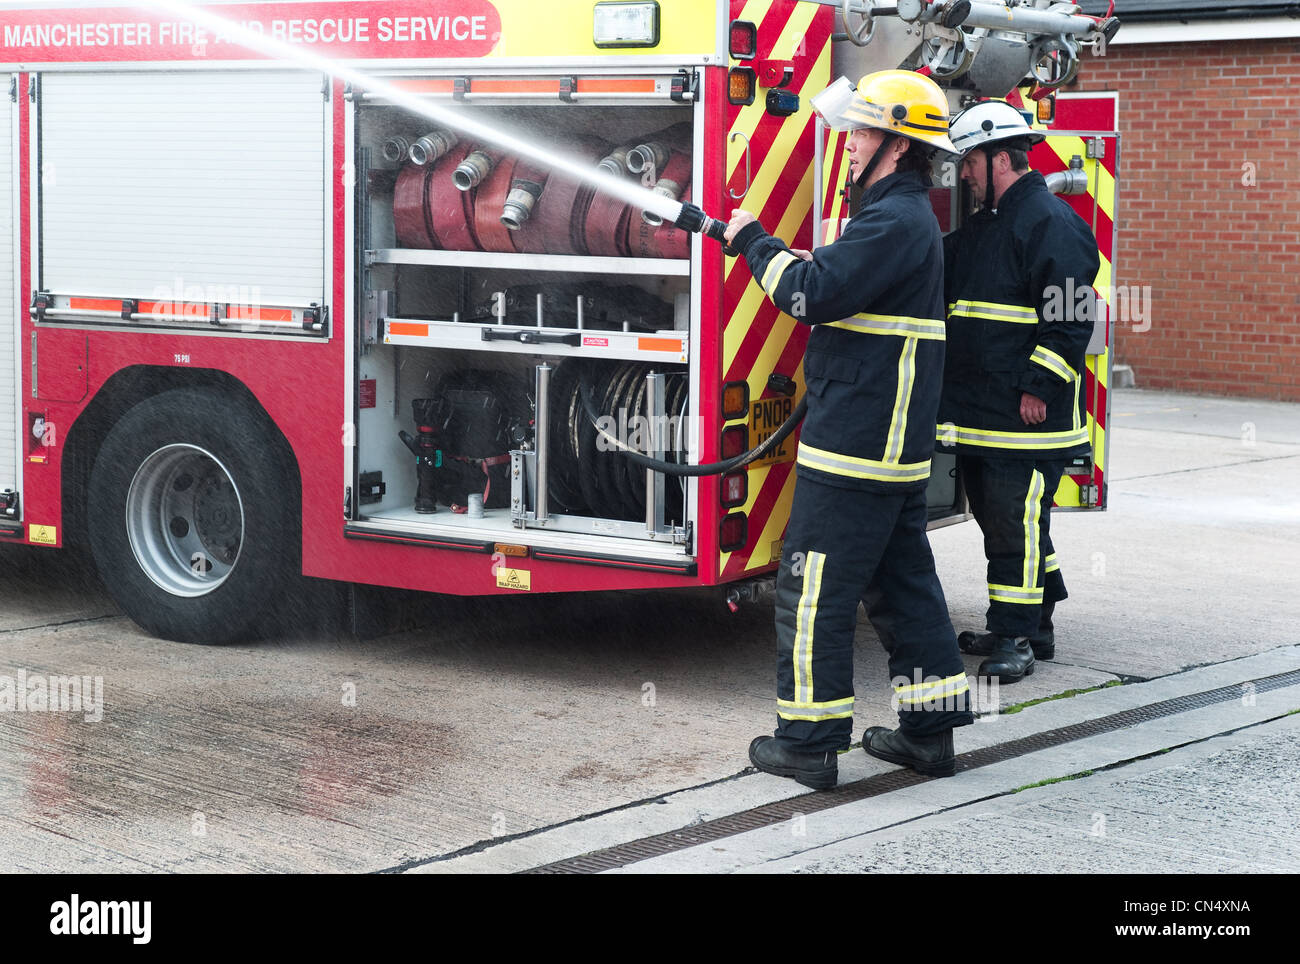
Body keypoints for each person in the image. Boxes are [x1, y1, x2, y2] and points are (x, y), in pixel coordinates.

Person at [724, 70, 974, 791]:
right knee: (903, 588)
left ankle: (806, 745)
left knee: (813, 589)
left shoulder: (893, 220)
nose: (854, 144)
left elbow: (809, 295)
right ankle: (930, 735)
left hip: (858, 445)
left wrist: (755, 243)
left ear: (898, 144)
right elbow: (842, 284)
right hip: (889, 448)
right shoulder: (904, 218)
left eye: (864, 132)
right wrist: (810, 262)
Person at [938, 100, 1100, 683]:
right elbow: (942, 265)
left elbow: (1071, 316)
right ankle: (1035, 622)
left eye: (971, 162)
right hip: (988, 415)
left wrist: (1040, 385)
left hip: (1026, 415)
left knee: (1013, 523)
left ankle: (1015, 638)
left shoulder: (1051, 222)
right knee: (1008, 520)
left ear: (999, 158)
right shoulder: (994, 223)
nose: (964, 174)